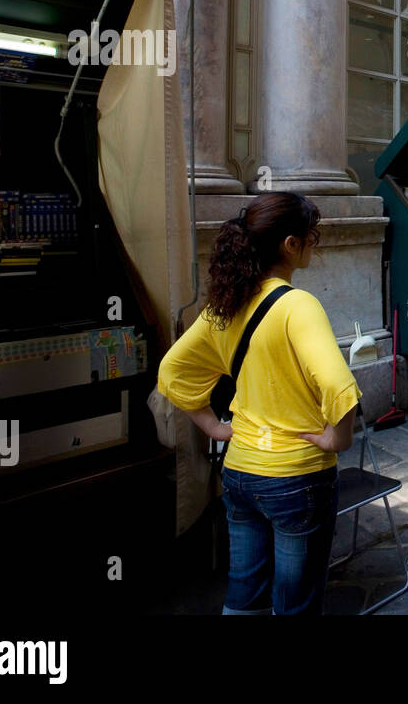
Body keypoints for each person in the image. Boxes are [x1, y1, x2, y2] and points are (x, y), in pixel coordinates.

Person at [158, 192, 360, 615]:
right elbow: (340, 385)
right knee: (295, 603)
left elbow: (173, 371)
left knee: (244, 595)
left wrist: (214, 428)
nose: (315, 243)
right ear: (290, 244)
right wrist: (337, 439)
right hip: (297, 477)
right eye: (312, 236)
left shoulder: (223, 305)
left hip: (240, 472)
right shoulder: (297, 305)